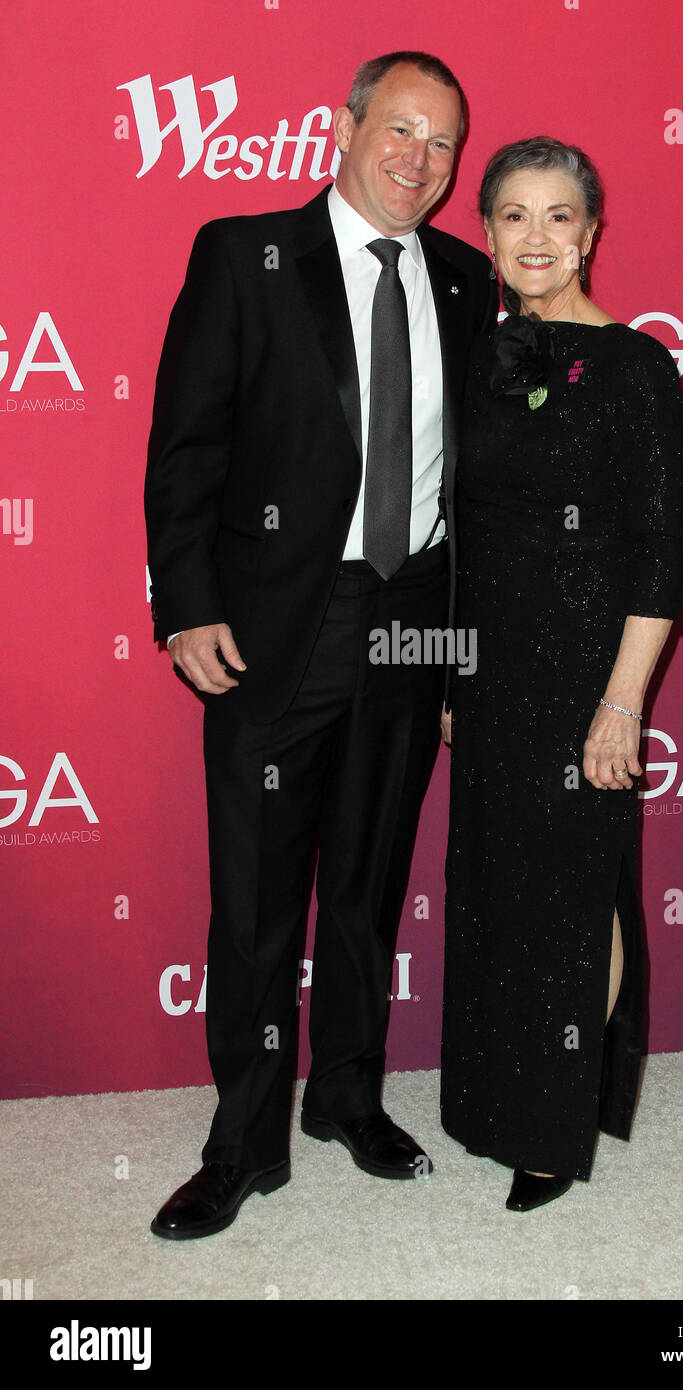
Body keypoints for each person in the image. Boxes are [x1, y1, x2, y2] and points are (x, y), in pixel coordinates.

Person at [144, 51, 497, 1239]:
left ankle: (346, 1096)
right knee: (254, 906)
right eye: (400, 129)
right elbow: (187, 444)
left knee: (364, 884)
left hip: (409, 619)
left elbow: (471, 487)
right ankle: (243, 1142)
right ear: (344, 128)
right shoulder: (243, 255)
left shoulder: (462, 277)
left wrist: (457, 650)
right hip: (275, 627)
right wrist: (187, 603)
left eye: (444, 143)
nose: (420, 160)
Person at [439, 137, 683, 1212]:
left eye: (557, 216)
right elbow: (458, 538)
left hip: (590, 666)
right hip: (492, 671)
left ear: (592, 232)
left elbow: (663, 548)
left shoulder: (635, 366)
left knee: (575, 891)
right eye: (511, 215)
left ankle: (555, 1120)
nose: (534, 237)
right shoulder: (480, 359)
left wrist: (622, 701)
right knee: (500, 889)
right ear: (488, 232)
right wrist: (453, 677)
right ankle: (503, 1095)